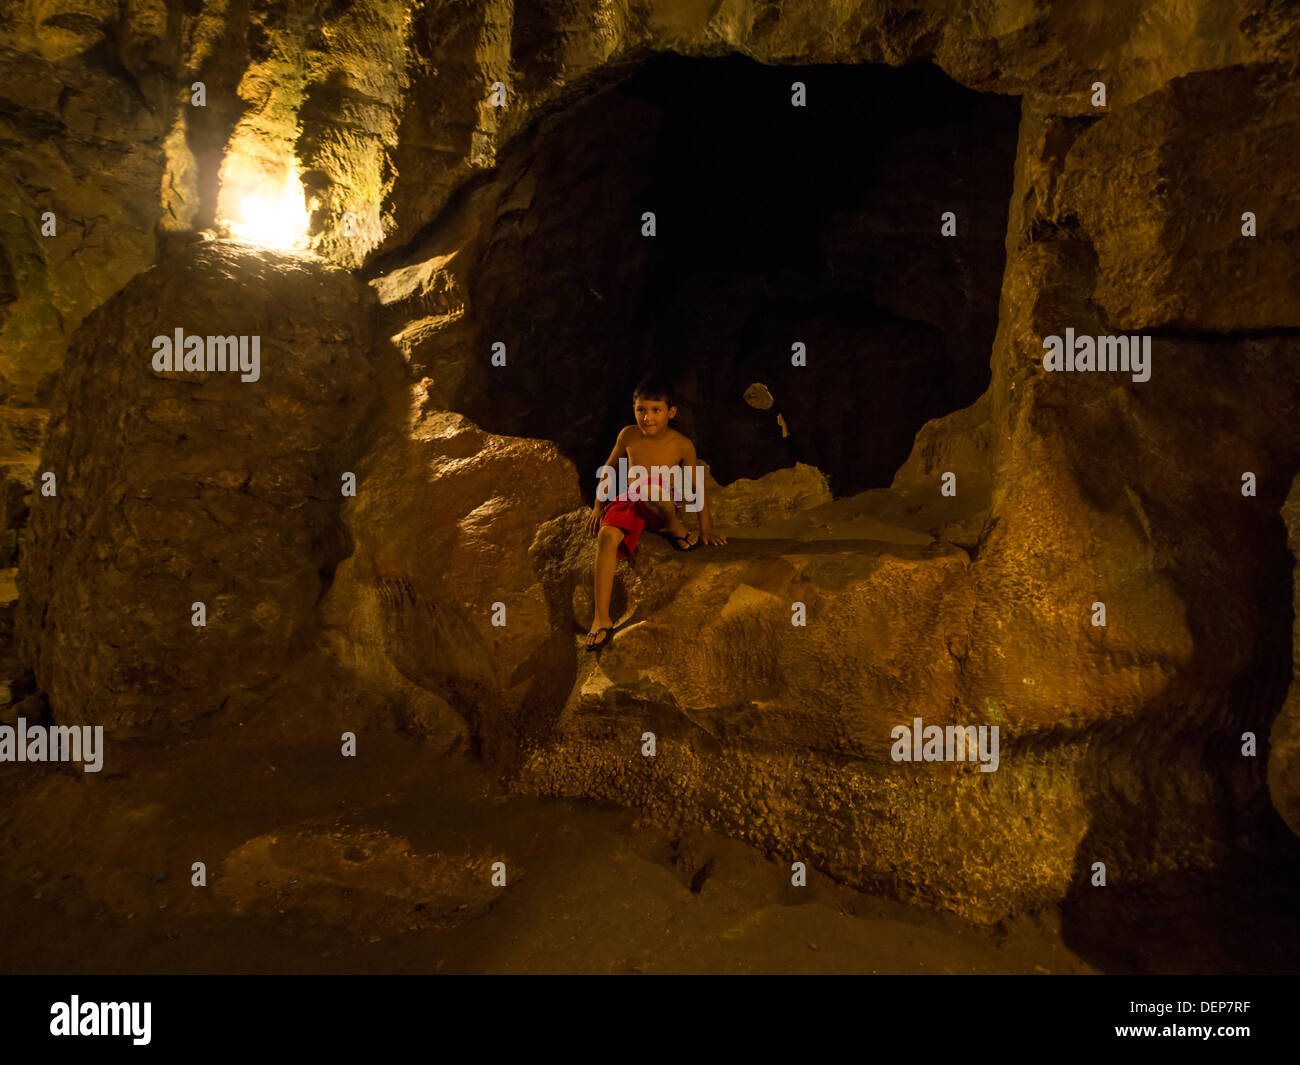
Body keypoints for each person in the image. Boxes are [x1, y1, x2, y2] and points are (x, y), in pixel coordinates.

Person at [584, 376, 726, 651]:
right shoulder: (628, 435)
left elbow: (697, 487)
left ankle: (675, 528)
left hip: (662, 506)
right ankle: (601, 617)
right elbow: (610, 468)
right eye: (641, 410)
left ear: (671, 412)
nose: (647, 417)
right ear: (634, 409)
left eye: (655, 410)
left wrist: (705, 528)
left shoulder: (682, 444)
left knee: (650, 488)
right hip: (632, 503)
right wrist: (599, 506)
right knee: (606, 536)